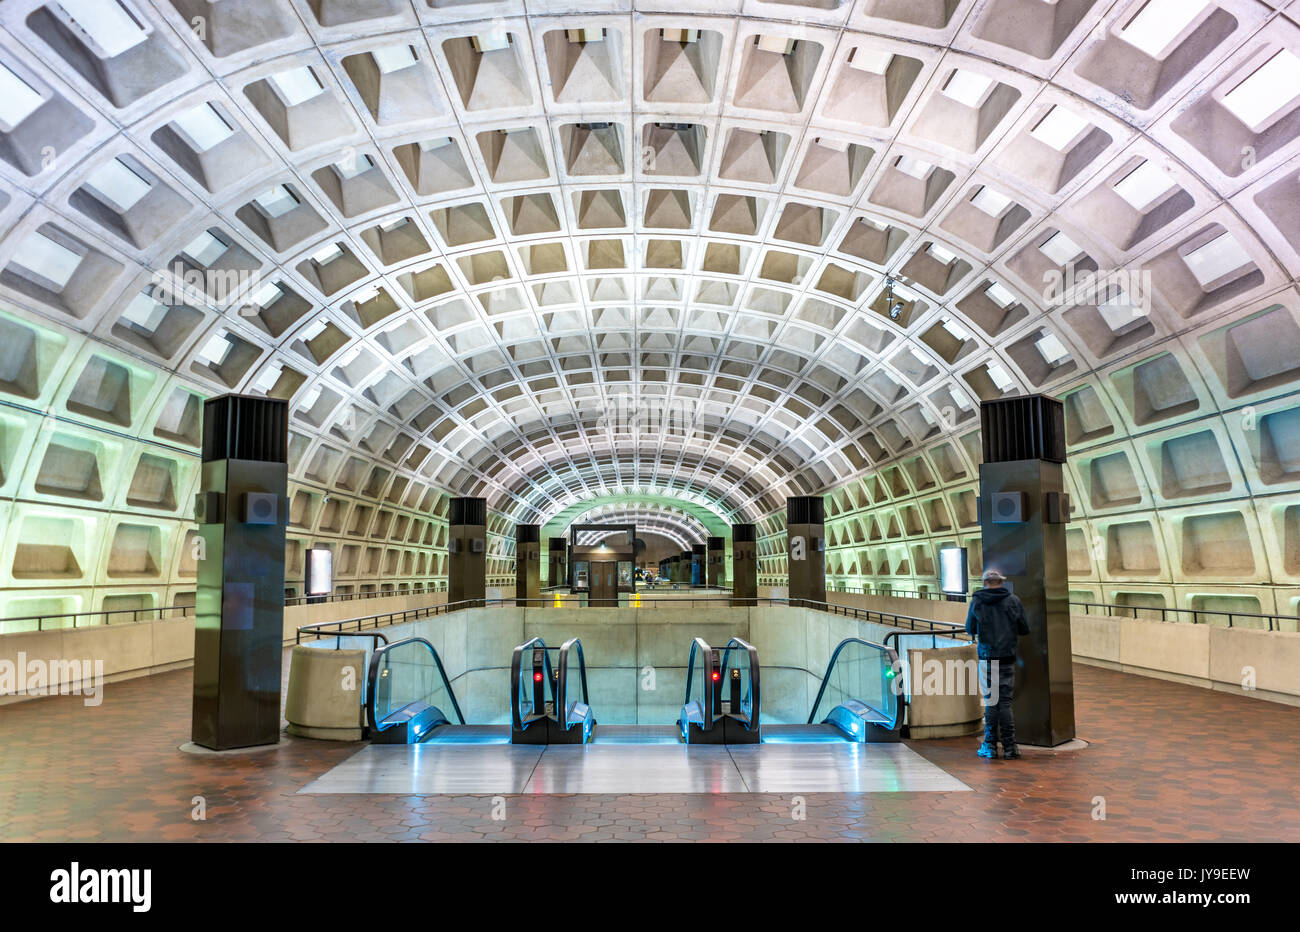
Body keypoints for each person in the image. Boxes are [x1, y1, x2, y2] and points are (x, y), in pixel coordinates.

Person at [964, 569, 1030, 760]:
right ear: (1001, 582)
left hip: (987, 657)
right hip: (1007, 658)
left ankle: (990, 746)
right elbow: (1024, 628)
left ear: (985, 583)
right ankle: (1010, 748)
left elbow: (969, 628)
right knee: (1005, 702)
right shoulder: (1013, 601)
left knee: (991, 702)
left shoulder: (977, 601)